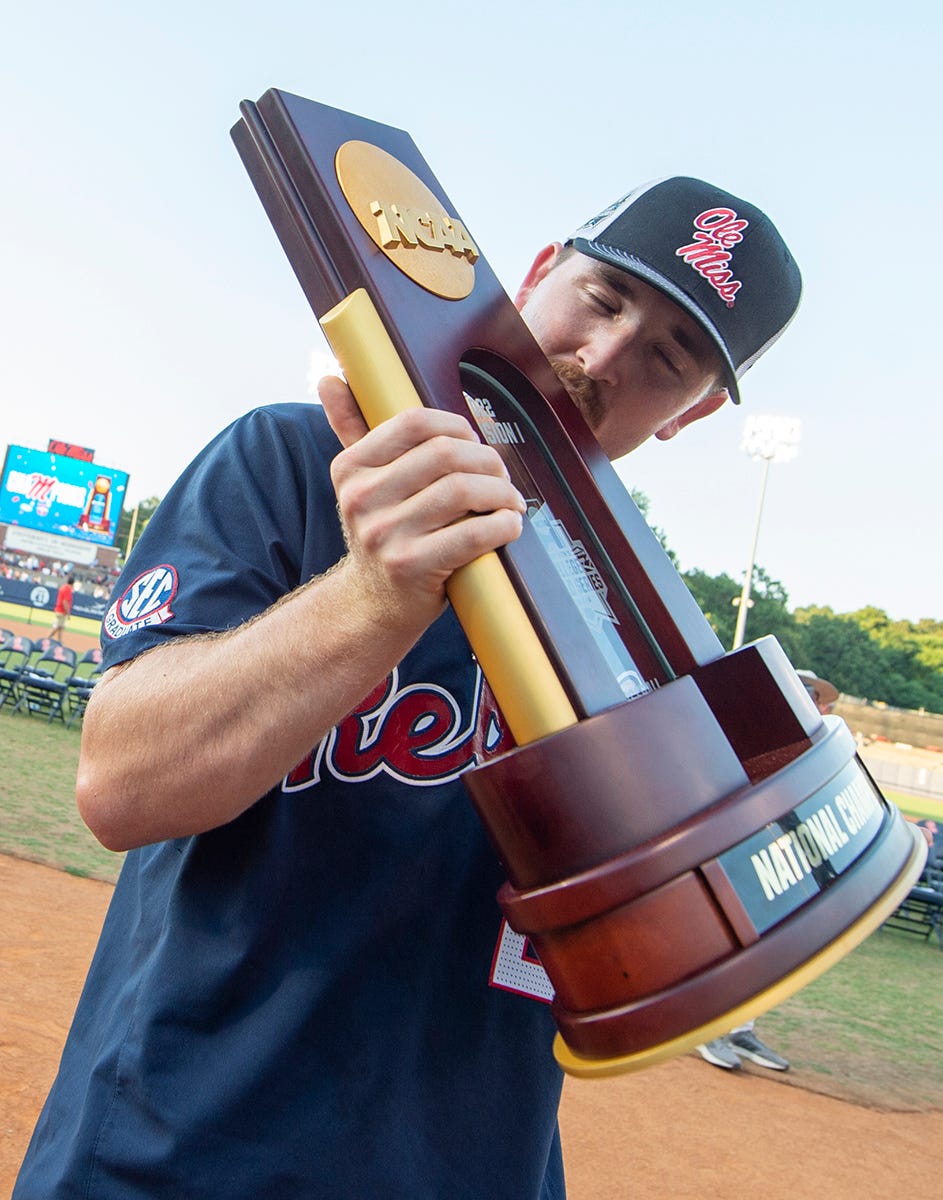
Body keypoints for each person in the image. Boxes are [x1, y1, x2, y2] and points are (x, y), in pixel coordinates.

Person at [14, 176, 801, 1199]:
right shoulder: (294, 462)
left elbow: (637, 972)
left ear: (689, 414)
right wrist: (377, 593)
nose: (601, 358)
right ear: (532, 278)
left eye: (667, 357)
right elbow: (122, 787)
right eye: (602, 300)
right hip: (173, 1155)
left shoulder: (644, 628)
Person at [696, 668, 839, 1073]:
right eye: (806, 692)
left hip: (784, 859)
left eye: (816, 696)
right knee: (734, 942)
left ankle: (742, 1027)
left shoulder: (813, 740)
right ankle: (713, 1029)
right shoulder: (748, 729)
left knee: (773, 947)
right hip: (742, 855)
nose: (814, 702)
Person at [48, 574, 75, 641]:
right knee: (58, 626)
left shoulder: (63, 587)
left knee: (60, 627)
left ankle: (59, 641)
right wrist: (68, 613)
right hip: (61, 611)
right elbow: (65, 602)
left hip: (59, 609)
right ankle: (48, 638)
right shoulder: (67, 589)